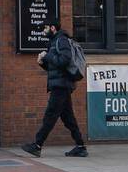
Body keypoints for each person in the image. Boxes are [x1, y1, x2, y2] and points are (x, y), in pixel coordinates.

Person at [21, 23, 88, 158]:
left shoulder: (61, 40)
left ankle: (37, 145)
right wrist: (43, 63)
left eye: (45, 28)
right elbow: (55, 67)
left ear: (52, 28)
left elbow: (65, 60)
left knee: (50, 115)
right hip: (60, 84)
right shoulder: (54, 42)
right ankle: (80, 146)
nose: (44, 31)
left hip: (61, 86)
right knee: (68, 118)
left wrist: (47, 57)